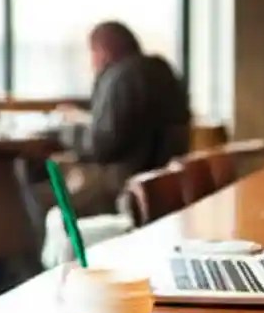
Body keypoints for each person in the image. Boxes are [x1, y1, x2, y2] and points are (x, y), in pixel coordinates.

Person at [52, 21, 191, 217]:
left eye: (92, 53)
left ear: (102, 51)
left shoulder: (120, 78)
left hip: (124, 189)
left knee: (48, 203)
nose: (91, 63)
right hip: (164, 185)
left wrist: (65, 130)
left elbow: (102, 145)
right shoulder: (162, 70)